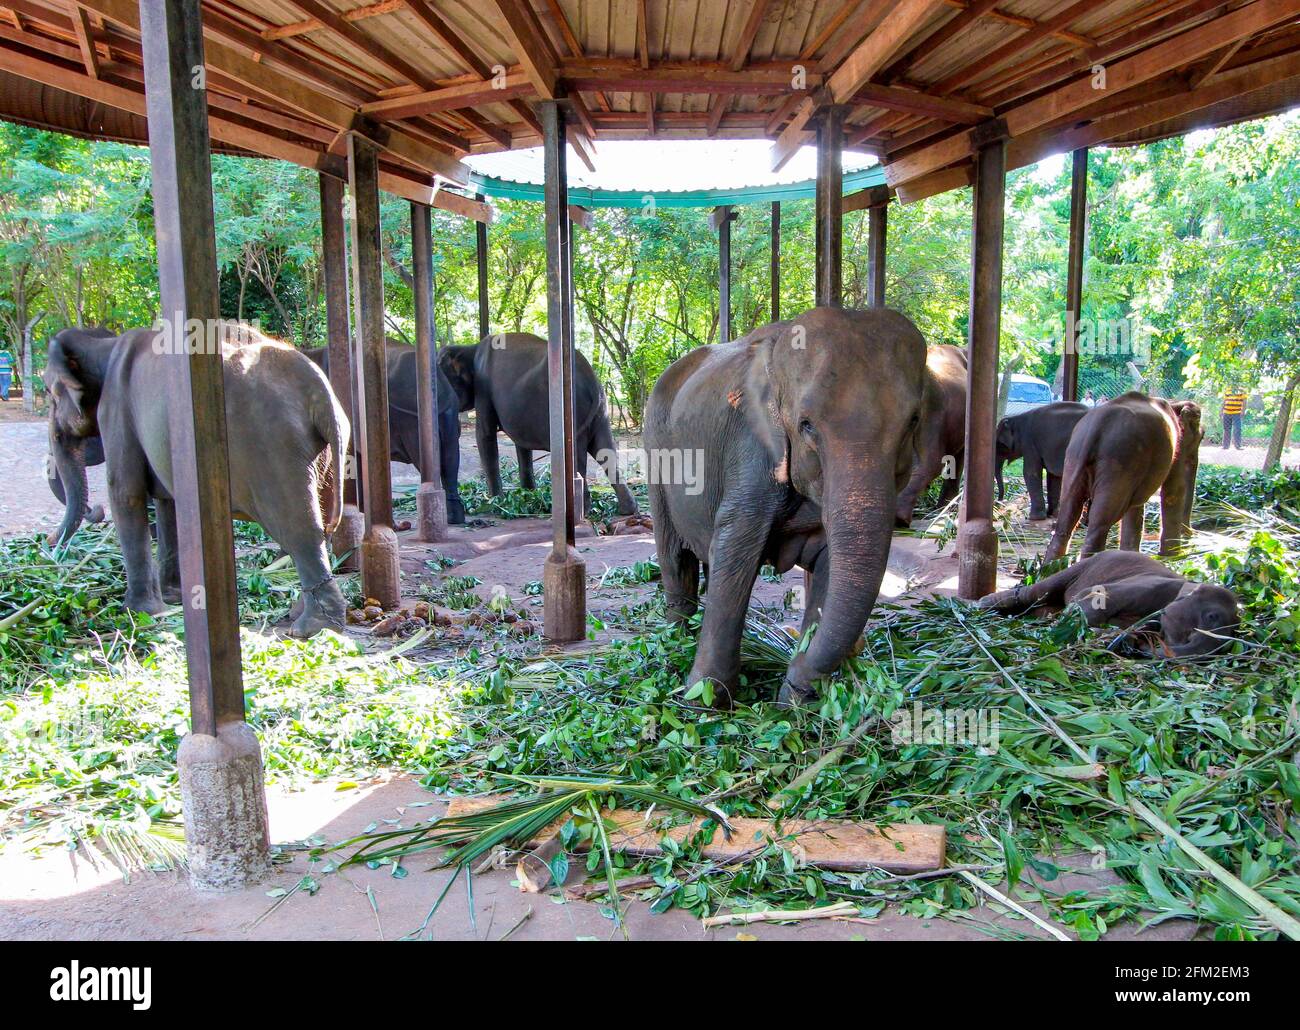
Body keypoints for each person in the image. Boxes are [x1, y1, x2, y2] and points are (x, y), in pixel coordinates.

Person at [1221, 383, 1247, 450]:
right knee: (1226, 429)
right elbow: (1224, 401)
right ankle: (1225, 446)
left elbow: (1244, 401)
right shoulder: (1227, 390)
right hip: (1226, 412)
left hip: (1237, 413)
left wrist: (1243, 411)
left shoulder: (1242, 390)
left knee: (1237, 429)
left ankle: (1238, 446)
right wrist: (1221, 411)